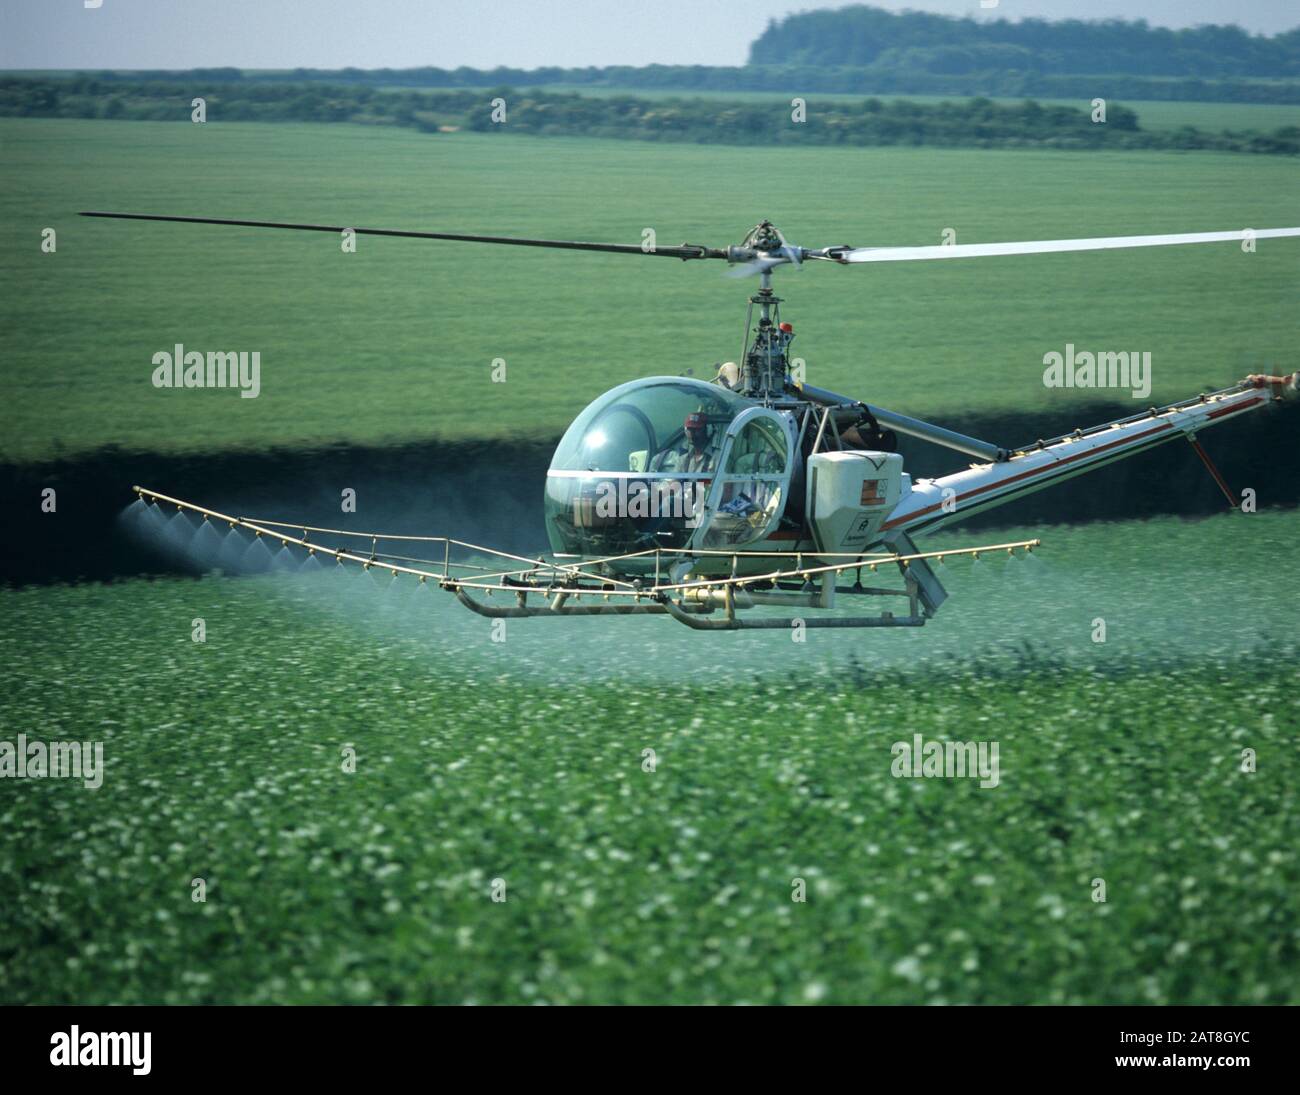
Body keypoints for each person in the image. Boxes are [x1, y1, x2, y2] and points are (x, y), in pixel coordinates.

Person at [652, 411, 718, 473]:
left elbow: (722, 483)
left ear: (708, 430)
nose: (692, 434)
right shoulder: (684, 457)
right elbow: (674, 481)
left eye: (696, 430)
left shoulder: (718, 456)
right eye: (689, 430)